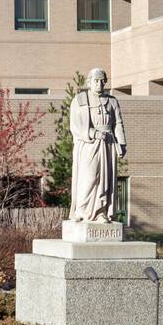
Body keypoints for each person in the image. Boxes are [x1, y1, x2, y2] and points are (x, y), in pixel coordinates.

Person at [69, 67, 127, 222]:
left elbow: (118, 124)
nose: (99, 84)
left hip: (108, 145)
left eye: (102, 81)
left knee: (104, 180)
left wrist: (121, 143)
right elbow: (75, 126)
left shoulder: (112, 101)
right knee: (88, 177)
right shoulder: (80, 100)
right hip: (89, 145)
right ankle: (81, 211)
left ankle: (101, 212)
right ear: (89, 82)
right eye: (96, 81)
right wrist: (93, 133)